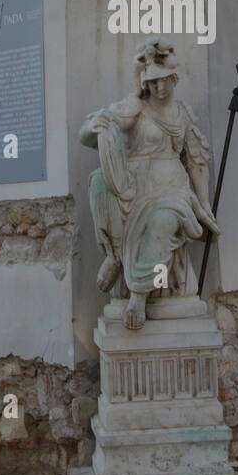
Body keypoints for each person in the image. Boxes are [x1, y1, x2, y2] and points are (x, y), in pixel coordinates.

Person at [79, 37, 219, 330]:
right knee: (99, 183)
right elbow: (96, 133)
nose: (159, 88)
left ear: (174, 78)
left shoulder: (182, 114)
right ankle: (115, 256)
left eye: (164, 80)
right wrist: (93, 129)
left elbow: (196, 159)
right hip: (134, 187)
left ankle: (140, 294)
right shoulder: (135, 107)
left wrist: (204, 204)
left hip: (172, 190)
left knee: (162, 222)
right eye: (152, 82)